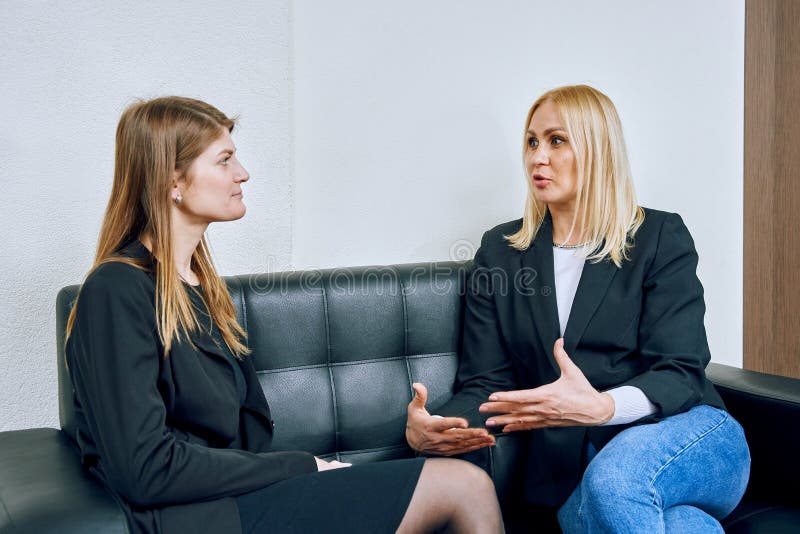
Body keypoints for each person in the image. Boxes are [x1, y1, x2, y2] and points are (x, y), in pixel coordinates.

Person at [65, 96, 504, 534]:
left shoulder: (199, 285)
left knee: (464, 485)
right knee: (463, 486)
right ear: (171, 180)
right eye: (224, 160)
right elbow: (144, 468)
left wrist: (300, 471)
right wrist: (300, 467)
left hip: (240, 497)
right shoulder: (116, 290)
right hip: (200, 517)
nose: (243, 173)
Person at [406, 84, 750, 533]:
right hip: (574, 469)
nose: (537, 158)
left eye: (556, 140)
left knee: (613, 483)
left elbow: (680, 370)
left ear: (597, 148)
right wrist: (436, 429)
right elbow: (487, 382)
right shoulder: (501, 252)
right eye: (531, 142)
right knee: (664, 521)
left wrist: (603, 407)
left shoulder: (658, 237)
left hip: (690, 433)